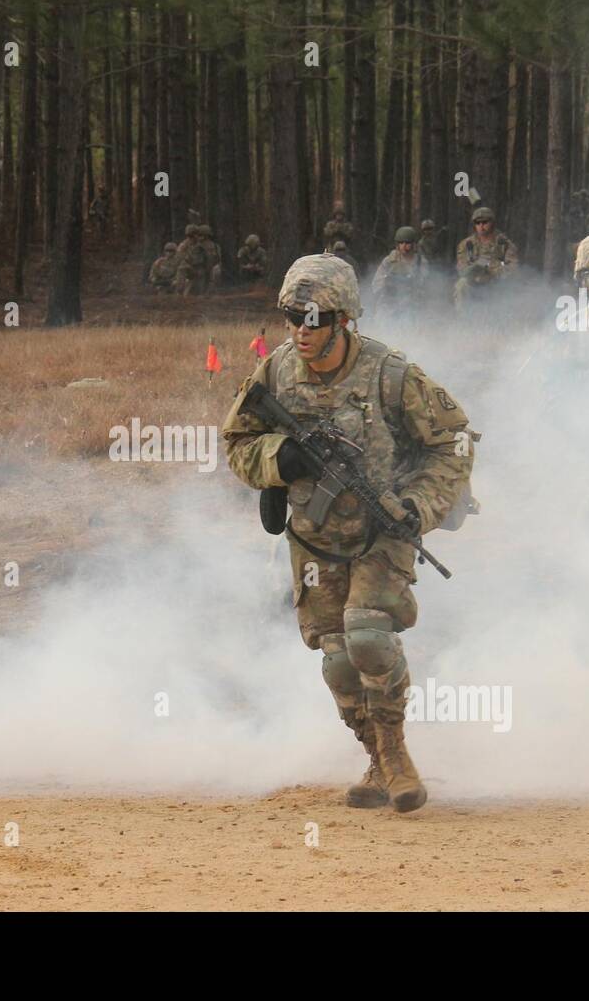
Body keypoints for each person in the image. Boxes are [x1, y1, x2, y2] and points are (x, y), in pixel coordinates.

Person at [222, 254, 474, 813]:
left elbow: (454, 441)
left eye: (314, 318)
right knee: (336, 659)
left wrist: (419, 505)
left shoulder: (390, 374)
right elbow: (237, 443)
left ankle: (397, 753)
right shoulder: (276, 374)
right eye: (292, 317)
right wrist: (280, 458)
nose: (302, 330)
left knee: (367, 637)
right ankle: (377, 757)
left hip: (383, 530)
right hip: (314, 539)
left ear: (344, 320)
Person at [453, 206, 518, 311]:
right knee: (461, 285)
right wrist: (476, 268)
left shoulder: (504, 244)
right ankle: (463, 321)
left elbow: (512, 269)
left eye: (485, 222)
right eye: (477, 223)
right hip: (474, 283)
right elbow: (462, 268)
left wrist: (491, 268)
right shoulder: (466, 244)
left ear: (492, 222)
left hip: (497, 284)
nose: (481, 226)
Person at [371, 226, 429, 323]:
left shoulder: (420, 262)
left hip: (412, 303)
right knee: (381, 317)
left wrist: (409, 282)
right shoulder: (389, 261)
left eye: (407, 243)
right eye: (401, 243)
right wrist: (387, 282)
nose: (404, 246)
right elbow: (376, 283)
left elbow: (424, 283)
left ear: (414, 244)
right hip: (390, 302)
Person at [173, 224, 209, 296]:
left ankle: (202, 292)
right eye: (191, 236)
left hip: (199, 269)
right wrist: (188, 264)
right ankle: (179, 291)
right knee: (182, 269)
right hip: (189, 268)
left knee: (201, 273)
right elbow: (179, 259)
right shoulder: (183, 245)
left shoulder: (201, 245)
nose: (193, 237)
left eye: (195, 235)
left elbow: (207, 258)